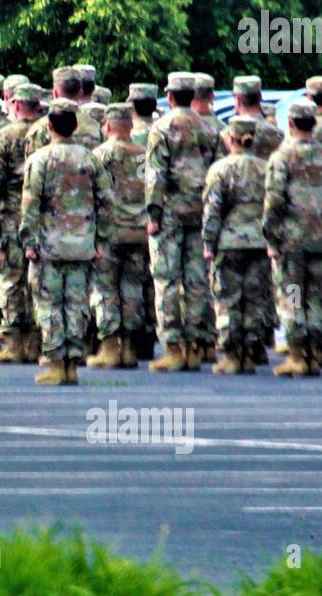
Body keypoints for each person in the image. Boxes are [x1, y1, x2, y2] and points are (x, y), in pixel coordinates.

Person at [20, 98, 112, 385]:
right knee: (77, 305)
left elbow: (30, 205)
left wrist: (28, 241)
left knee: (49, 306)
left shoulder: (39, 160)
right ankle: (73, 363)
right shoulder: (90, 158)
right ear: (75, 127)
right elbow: (107, 201)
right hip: (82, 245)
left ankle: (56, 363)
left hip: (49, 245)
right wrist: (101, 239)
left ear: (49, 127)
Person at [145, 72, 219, 371]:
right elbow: (217, 174)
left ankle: (174, 346)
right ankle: (197, 344)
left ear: (171, 96)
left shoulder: (161, 128)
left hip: (171, 213)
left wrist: (153, 214)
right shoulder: (211, 128)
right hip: (200, 212)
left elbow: (155, 175)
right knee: (198, 281)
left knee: (166, 280)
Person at [263, 100, 322, 377]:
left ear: (290, 124)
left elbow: (274, 202)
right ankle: (314, 354)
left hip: (291, 241)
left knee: (293, 296)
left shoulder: (281, 158)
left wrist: (271, 238)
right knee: (317, 297)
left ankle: (297, 354)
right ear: (313, 123)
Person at [201, 116, 269, 374]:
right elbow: (274, 208)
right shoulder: (266, 168)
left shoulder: (220, 169)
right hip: (259, 241)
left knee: (228, 298)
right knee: (254, 298)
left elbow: (213, 211)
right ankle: (250, 352)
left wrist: (208, 243)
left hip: (229, 242)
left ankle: (231, 354)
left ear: (230, 139)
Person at [0, 82, 44, 363]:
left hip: (10, 218)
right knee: (39, 282)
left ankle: (13, 343)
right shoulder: (47, 135)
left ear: (16, 104)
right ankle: (37, 341)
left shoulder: (3, 137)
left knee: (9, 280)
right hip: (42, 220)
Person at [86, 104, 148, 370]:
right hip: (138, 232)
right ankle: (130, 348)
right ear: (131, 126)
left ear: (107, 126)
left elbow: (92, 197)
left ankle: (110, 347)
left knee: (106, 289)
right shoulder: (144, 155)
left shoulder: (99, 155)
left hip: (109, 233)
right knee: (133, 289)